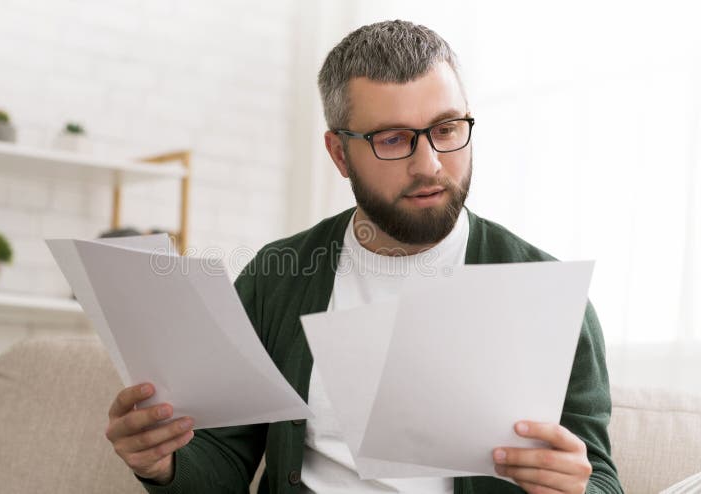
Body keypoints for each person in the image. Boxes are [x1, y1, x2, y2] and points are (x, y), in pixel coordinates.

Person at [104, 20, 624, 494]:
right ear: (338, 154)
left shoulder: (546, 292)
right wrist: (163, 465)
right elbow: (223, 456)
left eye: (446, 129)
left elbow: (600, 477)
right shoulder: (275, 275)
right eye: (393, 139)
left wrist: (576, 489)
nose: (430, 165)